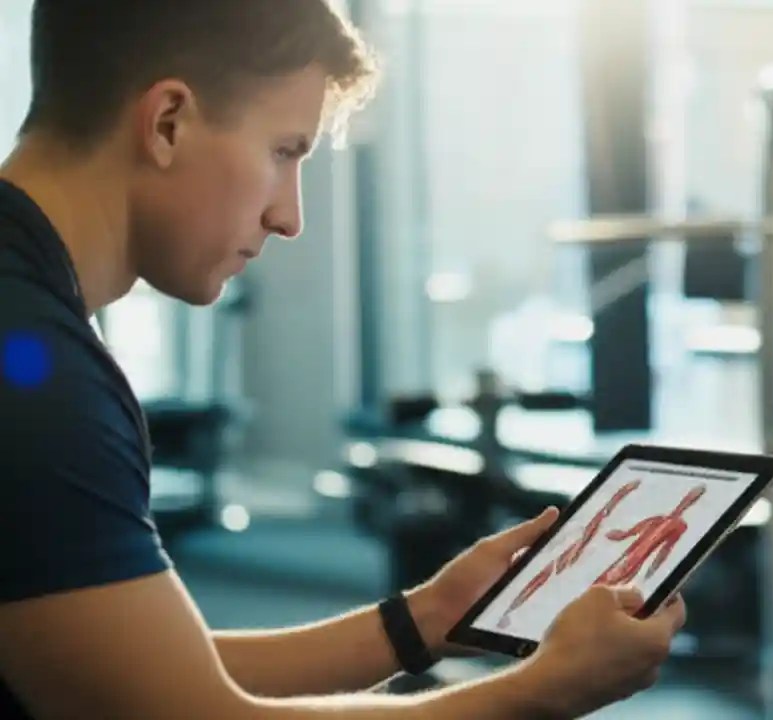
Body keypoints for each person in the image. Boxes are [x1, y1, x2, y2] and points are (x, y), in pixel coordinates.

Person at [0, 1, 686, 718]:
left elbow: (126, 673)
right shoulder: (41, 380)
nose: (289, 217)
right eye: (283, 153)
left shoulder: (27, 314)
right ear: (169, 121)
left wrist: (422, 622)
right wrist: (545, 692)